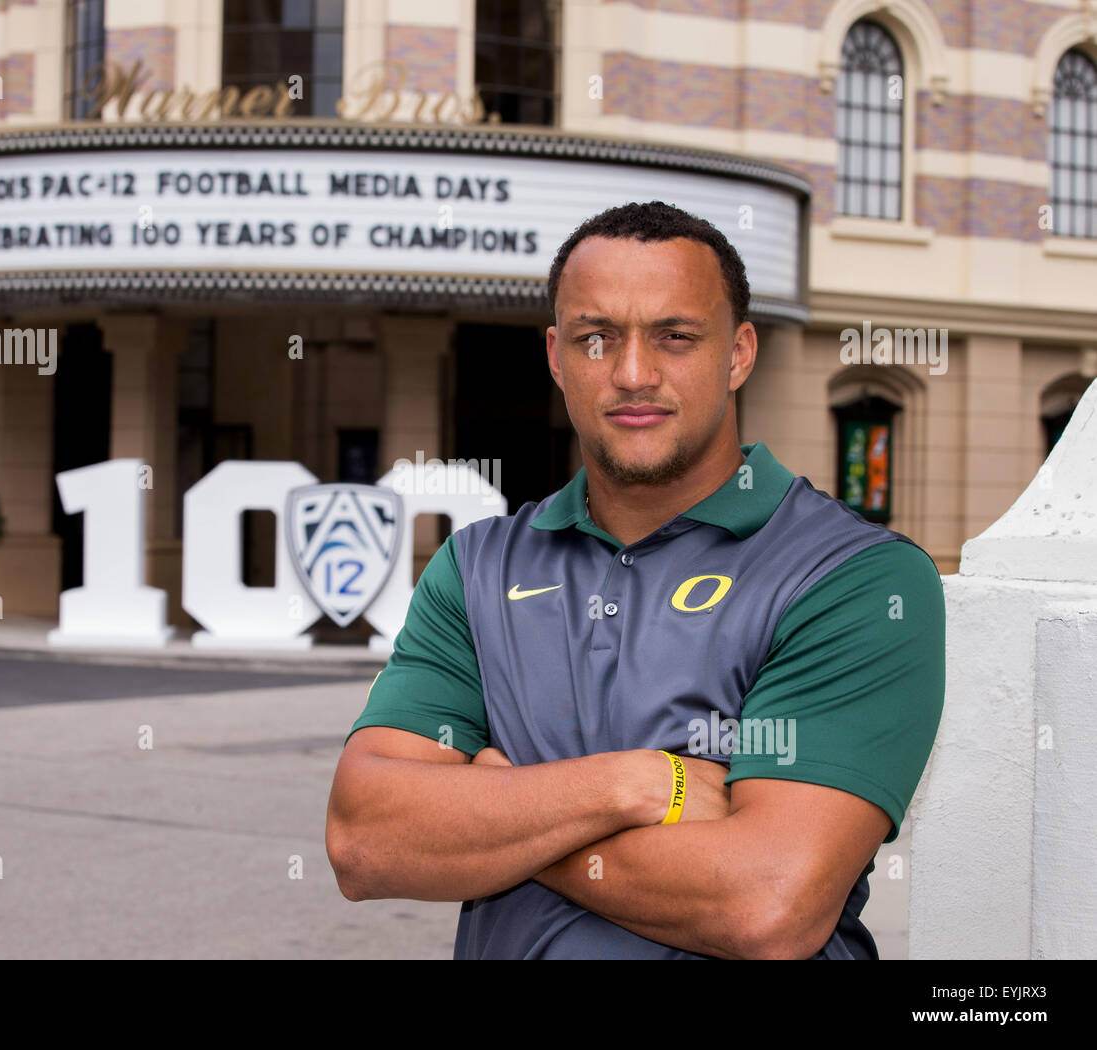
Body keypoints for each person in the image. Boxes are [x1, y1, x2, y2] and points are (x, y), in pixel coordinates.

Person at [324, 201, 945, 959]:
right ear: (556, 356)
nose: (633, 374)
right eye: (596, 338)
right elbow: (363, 839)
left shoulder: (855, 578)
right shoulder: (477, 566)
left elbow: (769, 903)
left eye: (675, 337)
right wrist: (638, 785)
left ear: (739, 353)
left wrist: (498, 814)